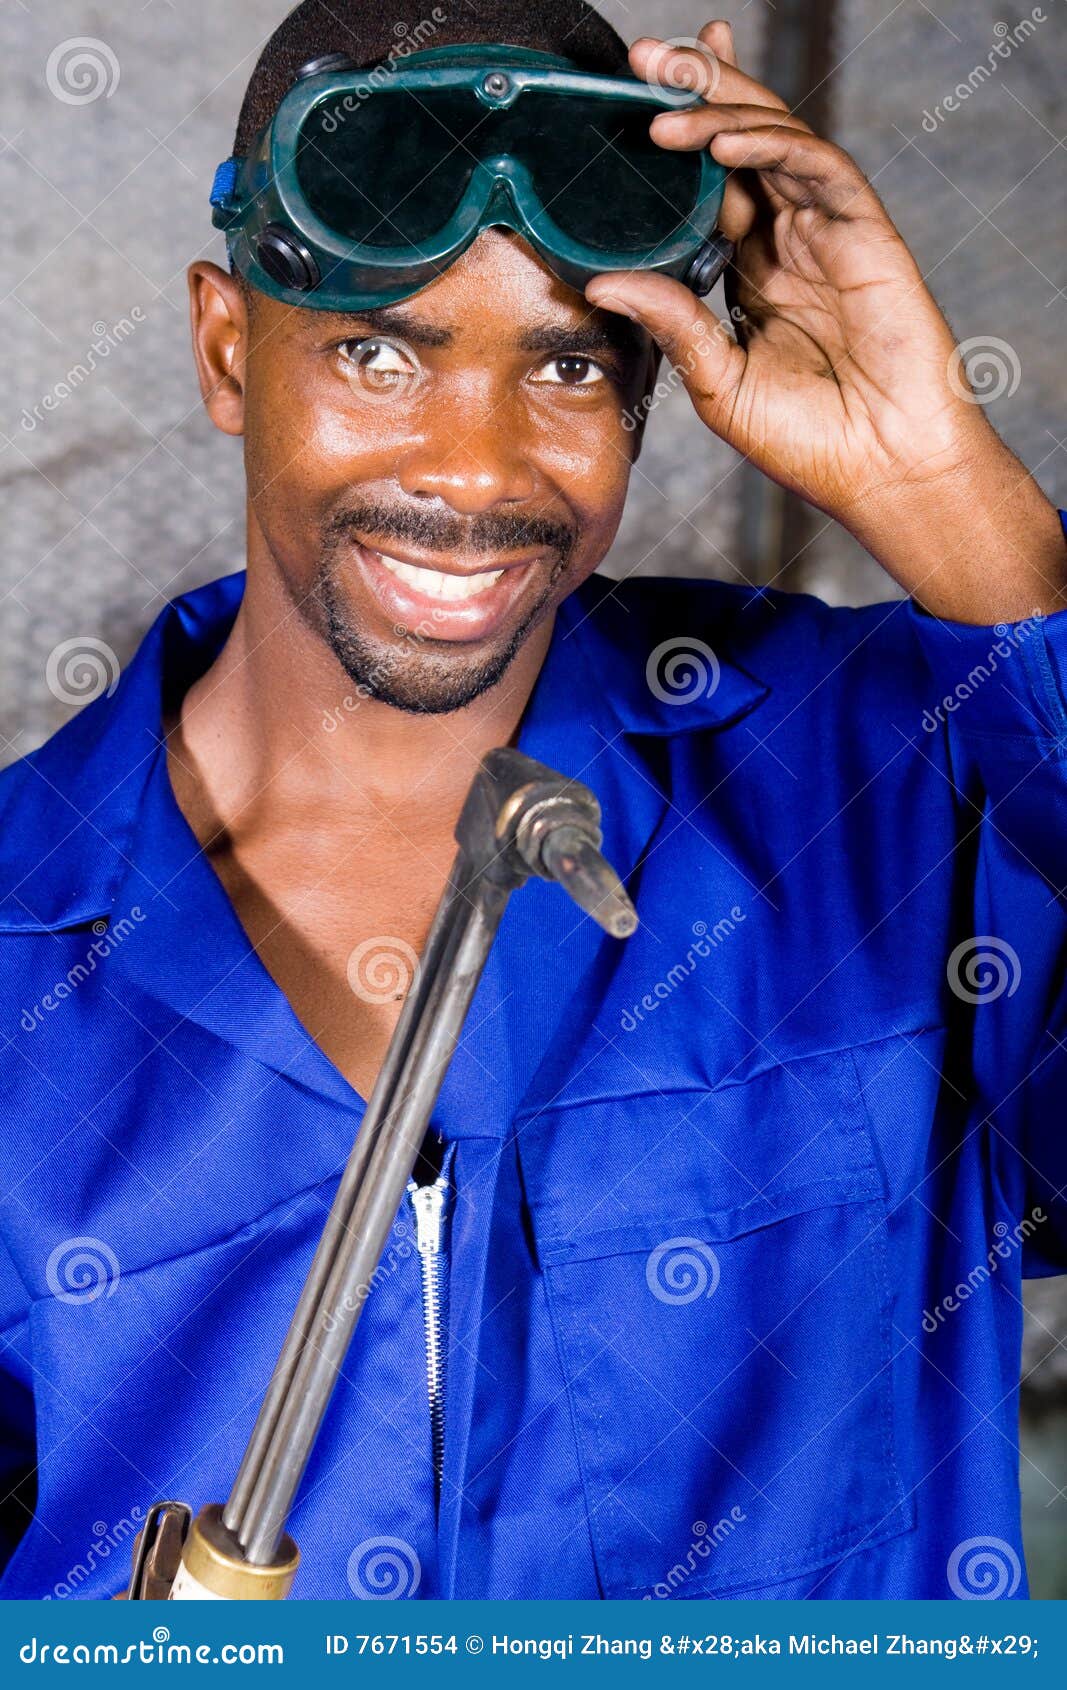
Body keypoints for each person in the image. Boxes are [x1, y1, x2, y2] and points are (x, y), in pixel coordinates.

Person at [0, 0, 1063, 1602]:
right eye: (377, 351)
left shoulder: (894, 788)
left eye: (567, 363)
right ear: (228, 350)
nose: (480, 465)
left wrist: (952, 498)